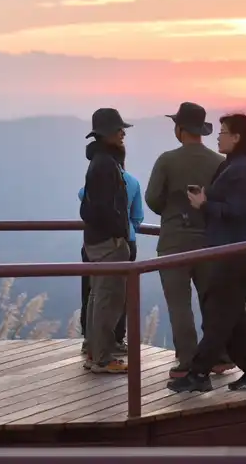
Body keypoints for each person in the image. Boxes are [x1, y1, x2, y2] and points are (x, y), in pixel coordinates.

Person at [168, 113, 246, 393]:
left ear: (237, 137)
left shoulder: (241, 171)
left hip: (234, 255)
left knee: (217, 316)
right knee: (231, 315)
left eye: (223, 132)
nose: (218, 137)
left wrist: (204, 205)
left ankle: (199, 373)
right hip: (233, 253)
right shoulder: (235, 166)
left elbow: (238, 212)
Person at [145, 102, 233, 379]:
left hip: (173, 242)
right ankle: (219, 356)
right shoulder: (219, 162)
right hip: (209, 242)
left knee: (179, 304)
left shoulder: (167, 160)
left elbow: (152, 199)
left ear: (180, 129)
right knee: (211, 301)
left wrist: (171, 209)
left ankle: (187, 362)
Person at [80, 108, 132, 374]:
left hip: (97, 241)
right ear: (107, 134)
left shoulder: (99, 161)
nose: (123, 133)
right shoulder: (105, 165)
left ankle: (95, 352)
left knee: (98, 296)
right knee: (108, 299)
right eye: (118, 130)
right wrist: (119, 234)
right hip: (108, 243)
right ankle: (102, 358)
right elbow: (102, 208)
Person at [79, 146, 144, 356]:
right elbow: (138, 216)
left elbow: (82, 195)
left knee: (95, 294)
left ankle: (92, 342)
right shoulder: (131, 182)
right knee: (116, 296)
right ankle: (111, 344)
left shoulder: (97, 175)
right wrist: (127, 229)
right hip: (121, 241)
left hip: (95, 242)